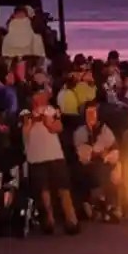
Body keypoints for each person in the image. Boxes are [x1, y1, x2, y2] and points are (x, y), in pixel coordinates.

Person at [22, 84, 80, 235]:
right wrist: (33, 120)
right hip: (36, 156)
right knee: (44, 191)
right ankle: (49, 221)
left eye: (43, 95)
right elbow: (24, 133)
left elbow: (58, 127)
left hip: (55, 155)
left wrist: (48, 123)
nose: (41, 98)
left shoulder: (52, 110)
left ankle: (71, 220)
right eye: (38, 95)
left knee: (63, 188)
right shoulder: (25, 113)